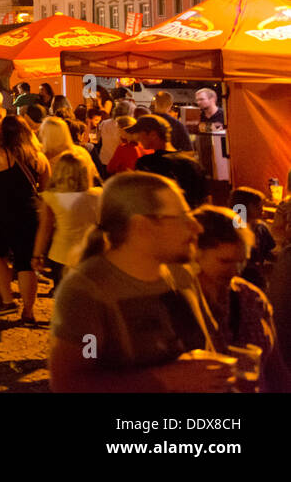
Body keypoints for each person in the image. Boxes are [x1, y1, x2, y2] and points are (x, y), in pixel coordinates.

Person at [49, 172, 234, 392]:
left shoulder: (180, 274)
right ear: (142, 227)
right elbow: (69, 384)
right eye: (183, 216)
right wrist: (164, 380)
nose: (197, 227)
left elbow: (206, 349)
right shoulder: (87, 291)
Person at [191, 206, 276, 390]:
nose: (235, 271)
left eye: (241, 261)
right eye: (225, 261)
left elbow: (275, 365)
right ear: (194, 255)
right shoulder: (177, 303)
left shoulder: (250, 297)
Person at [0, 115, 50, 325]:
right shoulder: (39, 157)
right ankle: (28, 311)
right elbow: (46, 188)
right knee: (26, 262)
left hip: (1, 211)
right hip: (29, 212)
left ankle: (8, 299)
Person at [33, 150, 102, 287]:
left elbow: (45, 229)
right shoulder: (99, 195)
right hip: (91, 253)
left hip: (61, 253)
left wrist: (37, 254)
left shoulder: (51, 197)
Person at [128, 115, 207, 208]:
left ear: (153, 135)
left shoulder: (146, 163)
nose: (137, 138)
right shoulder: (193, 164)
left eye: (139, 133)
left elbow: (142, 200)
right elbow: (203, 201)